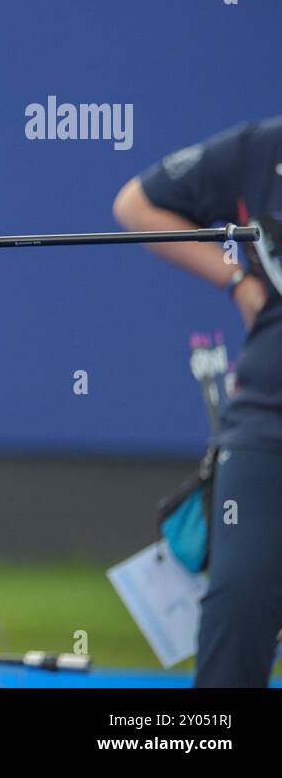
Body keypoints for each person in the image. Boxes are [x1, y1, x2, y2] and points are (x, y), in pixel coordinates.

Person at [113, 115, 282, 687]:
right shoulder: (262, 149)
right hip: (269, 415)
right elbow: (138, 206)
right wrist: (237, 279)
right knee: (238, 609)